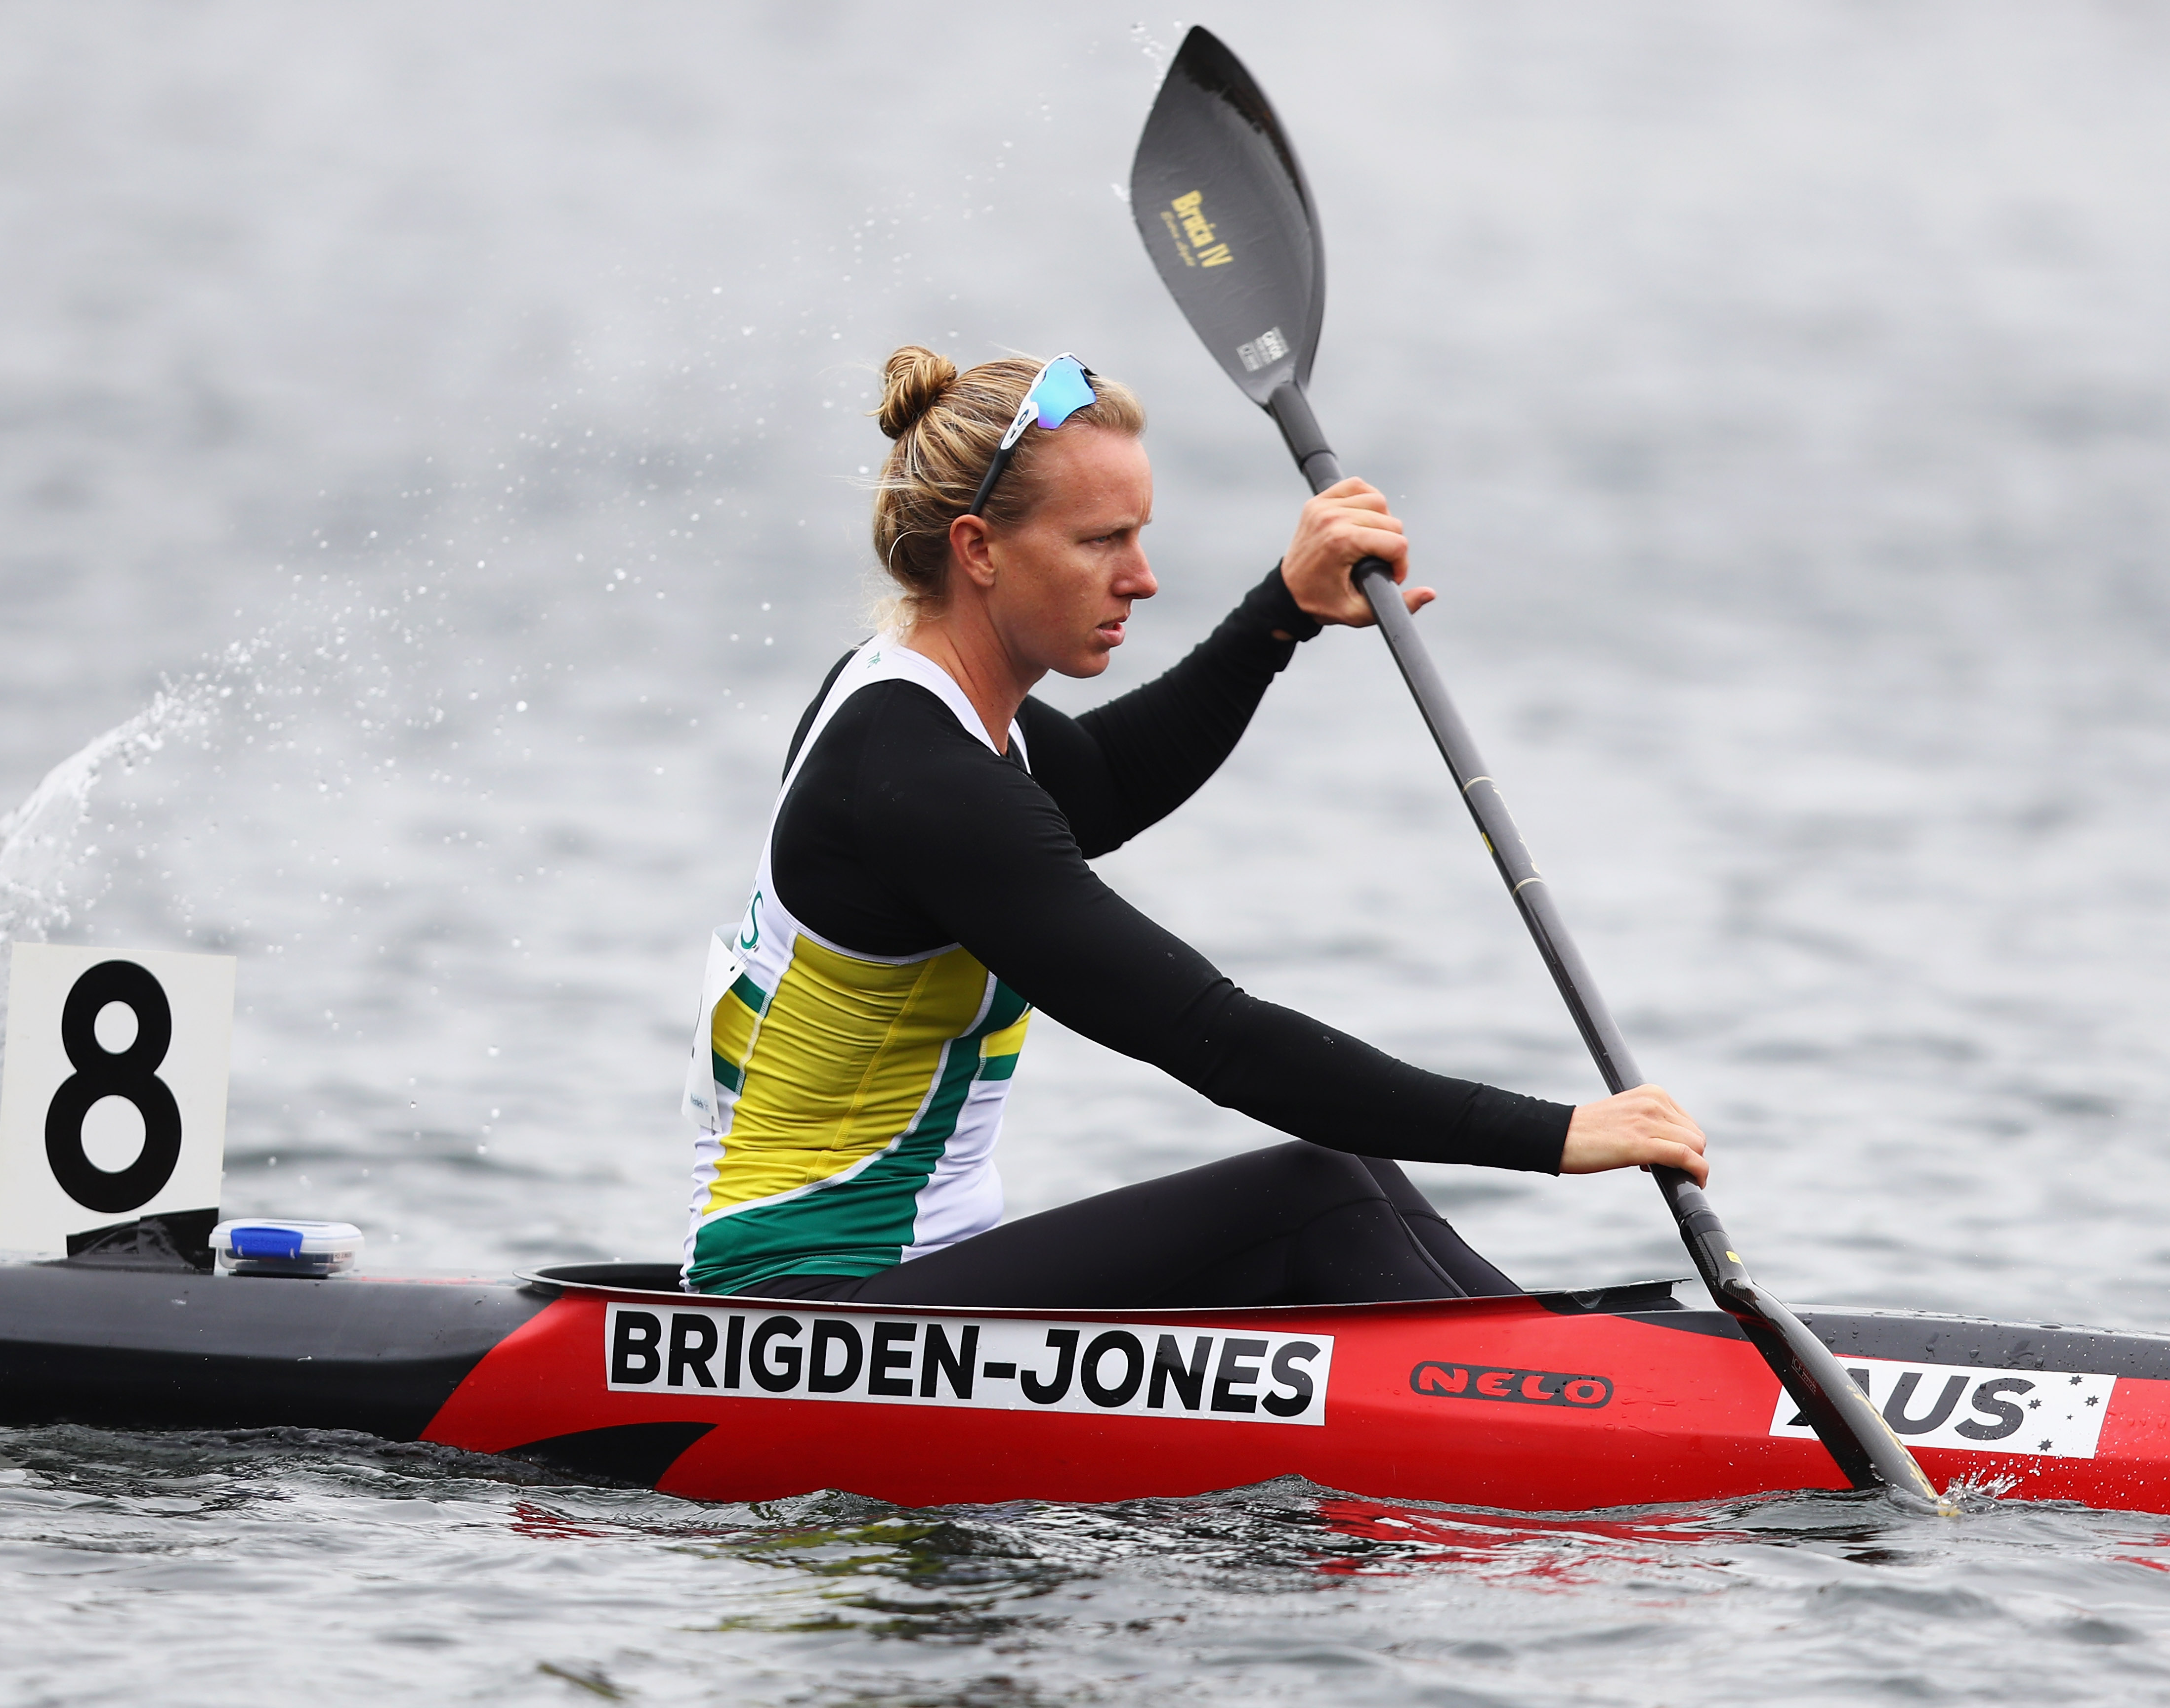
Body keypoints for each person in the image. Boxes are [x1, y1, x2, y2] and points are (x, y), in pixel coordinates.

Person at [681, 347, 1707, 1308]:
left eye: (1139, 536)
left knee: (1353, 1175)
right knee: (1317, 1194)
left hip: (907, 1288)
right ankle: (1580, 1391)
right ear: (978, 549)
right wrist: (1559, 1134)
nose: (1142, 577)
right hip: (807, 1307)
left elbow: (1107, 781)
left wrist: (1283, 609)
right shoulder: (918, 780)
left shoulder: (924, 711)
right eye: (1101, 541)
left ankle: (1579, 1368)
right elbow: (1217, 1040)